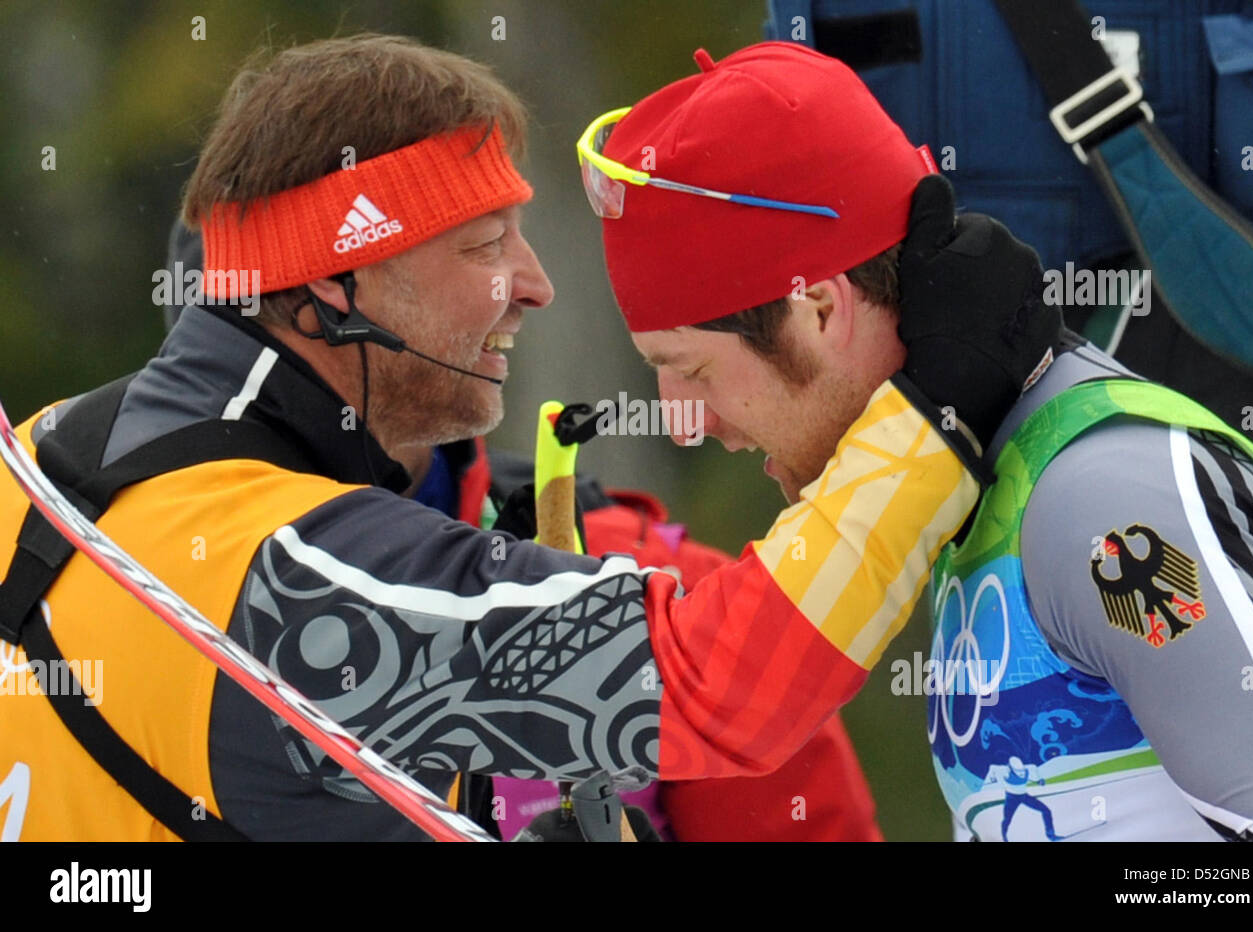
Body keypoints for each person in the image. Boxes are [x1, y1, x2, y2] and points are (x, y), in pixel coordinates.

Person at [0, 34, 1053, 841]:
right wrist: (937, 414)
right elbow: (720, 685)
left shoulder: (44, 458)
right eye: (480, 246)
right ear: (331, 282)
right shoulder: (269, 560)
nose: (536, 287)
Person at [582, 39, 1253, 841]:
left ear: (818, 310)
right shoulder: (976, 484)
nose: (686, 420)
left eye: (691, 372)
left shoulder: (1098, 498)